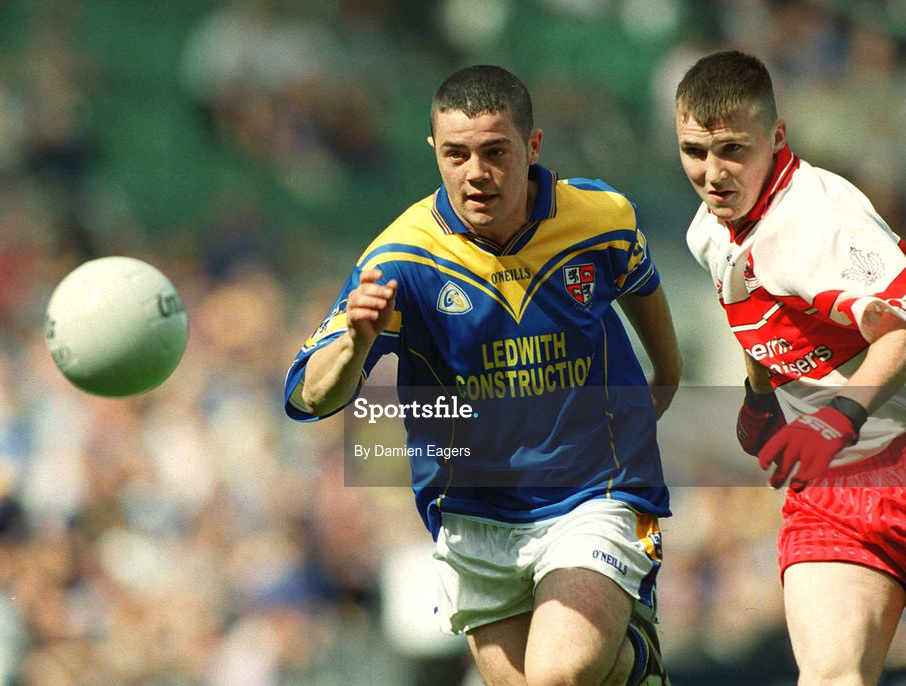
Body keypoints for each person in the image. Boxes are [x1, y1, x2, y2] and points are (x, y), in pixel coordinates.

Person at [286, 65, 682, 686]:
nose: (476, 173)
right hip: (472, 509)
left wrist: (660, 390)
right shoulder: (400, 259)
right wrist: (359, 343)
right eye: (457, 153)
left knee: (558, 675)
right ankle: (634, 671)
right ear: (434, 153)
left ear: (533, 146)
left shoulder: (601, 218)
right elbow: (310, 397)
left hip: (595, 491)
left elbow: (650, 312)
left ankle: (633, 653)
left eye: (496, 151)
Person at [677, 50, 906, 686]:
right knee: (830, 676)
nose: (713, 173)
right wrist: (760, 399)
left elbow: (902, 332)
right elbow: (751, 312)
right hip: (833, 491)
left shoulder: (819, 222)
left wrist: (835, 417)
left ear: (776, 138)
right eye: (696, 150)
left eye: (732, 149)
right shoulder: (708, 229)